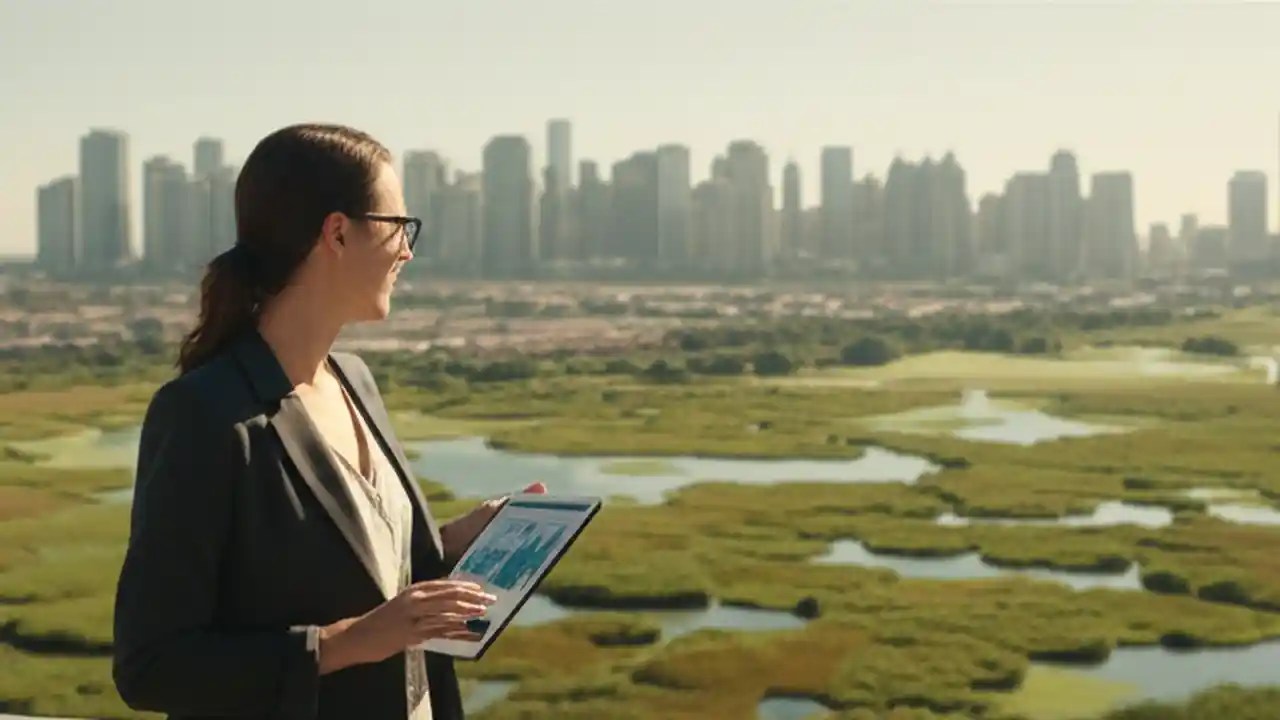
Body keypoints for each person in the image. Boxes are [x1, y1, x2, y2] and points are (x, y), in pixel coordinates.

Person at [112, 123, 545, 720]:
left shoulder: (354, 380)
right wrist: (342, 645)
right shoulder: (204, 415)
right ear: (337, 233)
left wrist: (448, 547)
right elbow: (151, 667)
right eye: (399, 226)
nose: (408, 251)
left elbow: (356, 572)